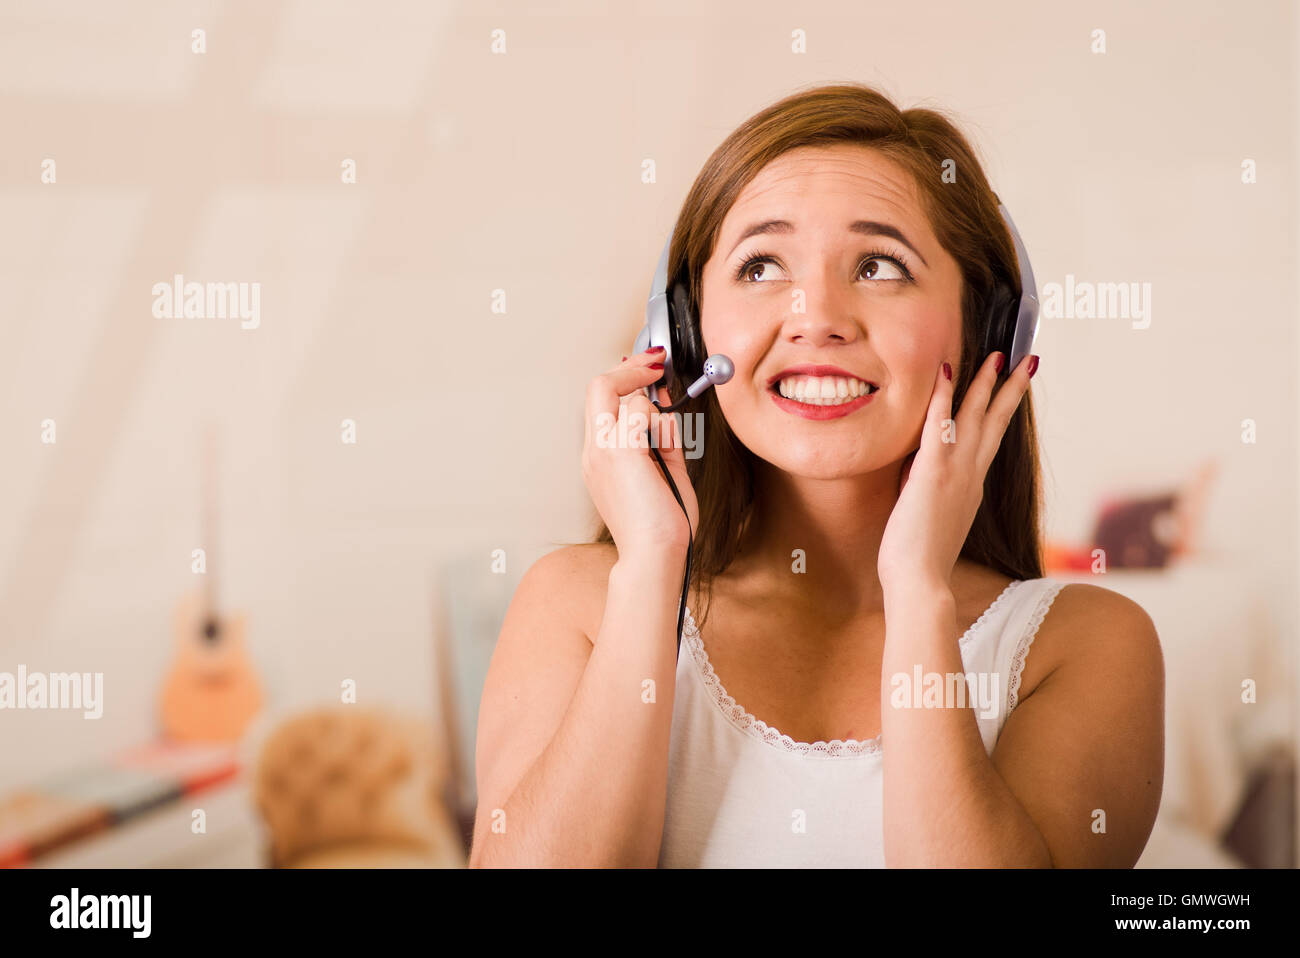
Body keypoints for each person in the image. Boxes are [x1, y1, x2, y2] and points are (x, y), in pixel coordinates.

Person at [469, 83, 1164, 868]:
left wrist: (917, 587)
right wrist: (652, 568)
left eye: (878, 265)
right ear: (688, 331)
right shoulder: (579, 602)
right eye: (761, 265)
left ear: (989, 330)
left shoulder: (1085, 644)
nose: (815, 315)